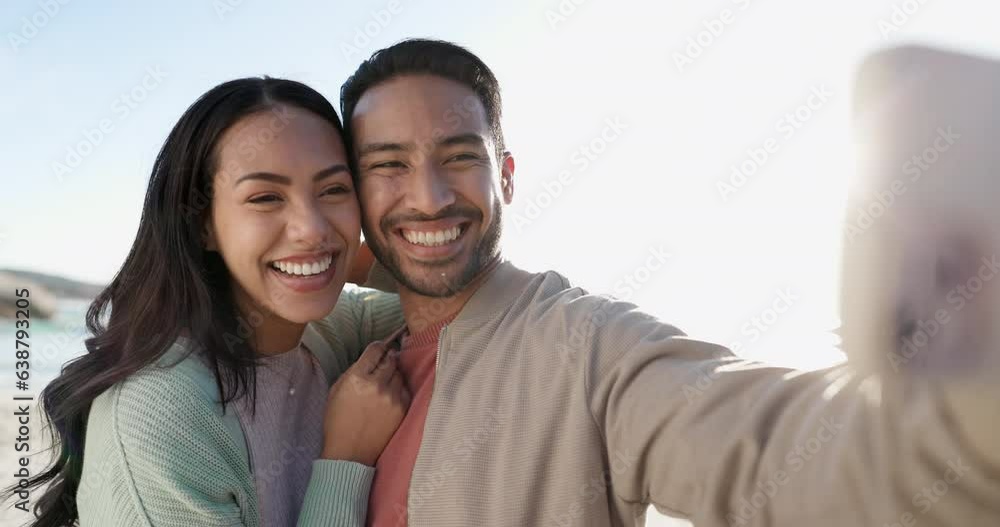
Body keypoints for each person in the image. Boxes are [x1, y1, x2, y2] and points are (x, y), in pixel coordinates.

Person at [340, 39, 1000, 526]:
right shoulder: (336, 356)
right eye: (388, 165)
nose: (427, 198)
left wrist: (964, 416)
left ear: (506, 175)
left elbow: (793, 452)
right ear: (353, 193)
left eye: (459, 157)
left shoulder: (586, 346)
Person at [18, 77, 408, 526]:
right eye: (265, 197)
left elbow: (445, 291)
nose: (311, 226)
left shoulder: (326, 331)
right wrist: (346, 459)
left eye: (334, 190)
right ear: (203, 225)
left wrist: (365, 242)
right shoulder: (161, 411)